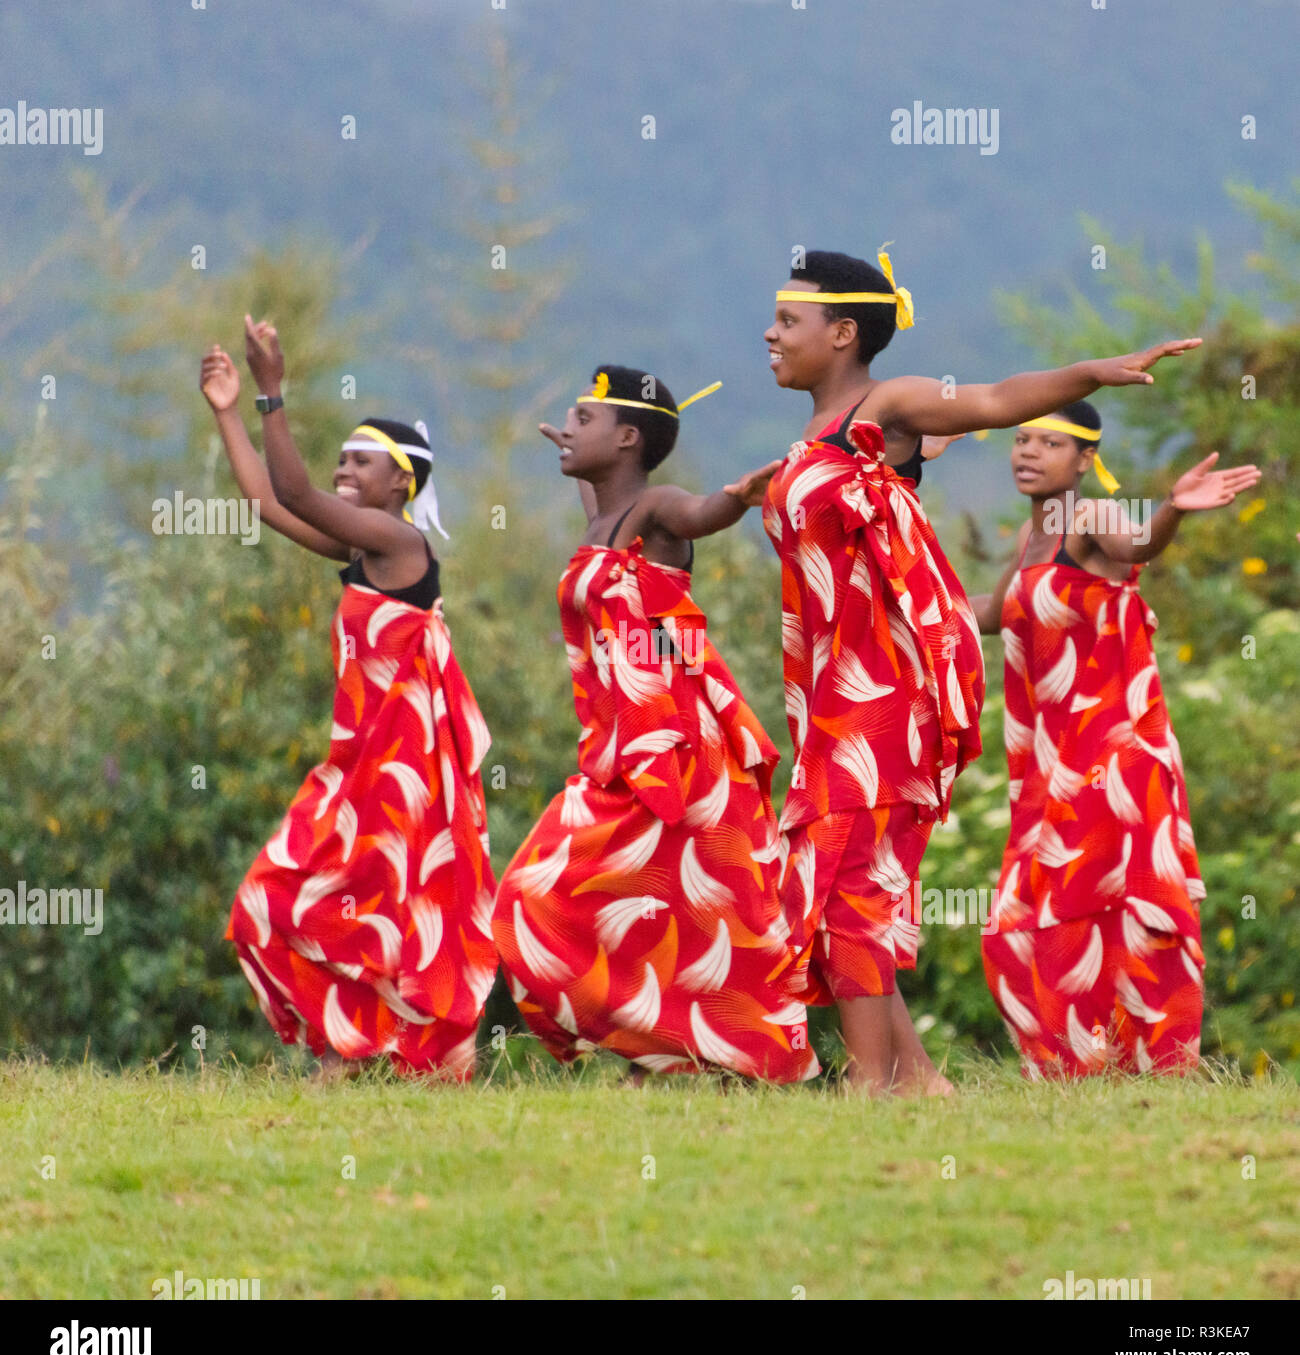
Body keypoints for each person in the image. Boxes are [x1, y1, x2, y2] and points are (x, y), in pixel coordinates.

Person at [760, 245, 1204, 1094]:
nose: (771, 335)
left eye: (788, 320)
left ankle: (868, 1079)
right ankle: (918, 1078)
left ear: (844, 333)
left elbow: (996, 400)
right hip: (829, 693)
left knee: (848, 873)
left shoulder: (884, 408)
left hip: (884, 690)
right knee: (844, 873)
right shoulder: (811, 442)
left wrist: (1092, 374)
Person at [490, 365, 818, 1083]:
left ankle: (718, 1051)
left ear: (629, 436)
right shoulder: (605, 520)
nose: (568, 428)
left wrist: (736, 499)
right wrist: (580, 458)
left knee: (685, 906)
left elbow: (700, 513)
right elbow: (603, 512)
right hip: (622, 747)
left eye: (584, 418)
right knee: (626, 901)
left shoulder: (661, 509)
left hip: (677, 747)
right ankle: (661, 1054)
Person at [200, 318, 497, 1079]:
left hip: (398, 780)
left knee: (380, 905)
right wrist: (229, 411)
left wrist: (274, 392)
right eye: (341, 458)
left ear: (402, 483)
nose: (343, 468)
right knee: (286, 897)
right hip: (361, 767)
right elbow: (270, 502)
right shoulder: (363, 547)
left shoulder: (401, 547)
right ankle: (352, 1051)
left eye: (360, 461)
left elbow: (294, 487)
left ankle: (364, 1058)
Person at [968, 403, 1260, 1076]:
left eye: (1049, 442)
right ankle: (1085, 1065)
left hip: (1115, 758)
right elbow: (992, 610)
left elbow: (1139, 547)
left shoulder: (1095, 518)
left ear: (1082, 460)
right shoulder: (1030, 539)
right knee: (1032, 914)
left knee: (1114, 909)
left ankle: (1158, 1062)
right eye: (1021, 439)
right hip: (1053, 766)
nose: (1028, 452)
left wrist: (1173, 512)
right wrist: (907, 601)